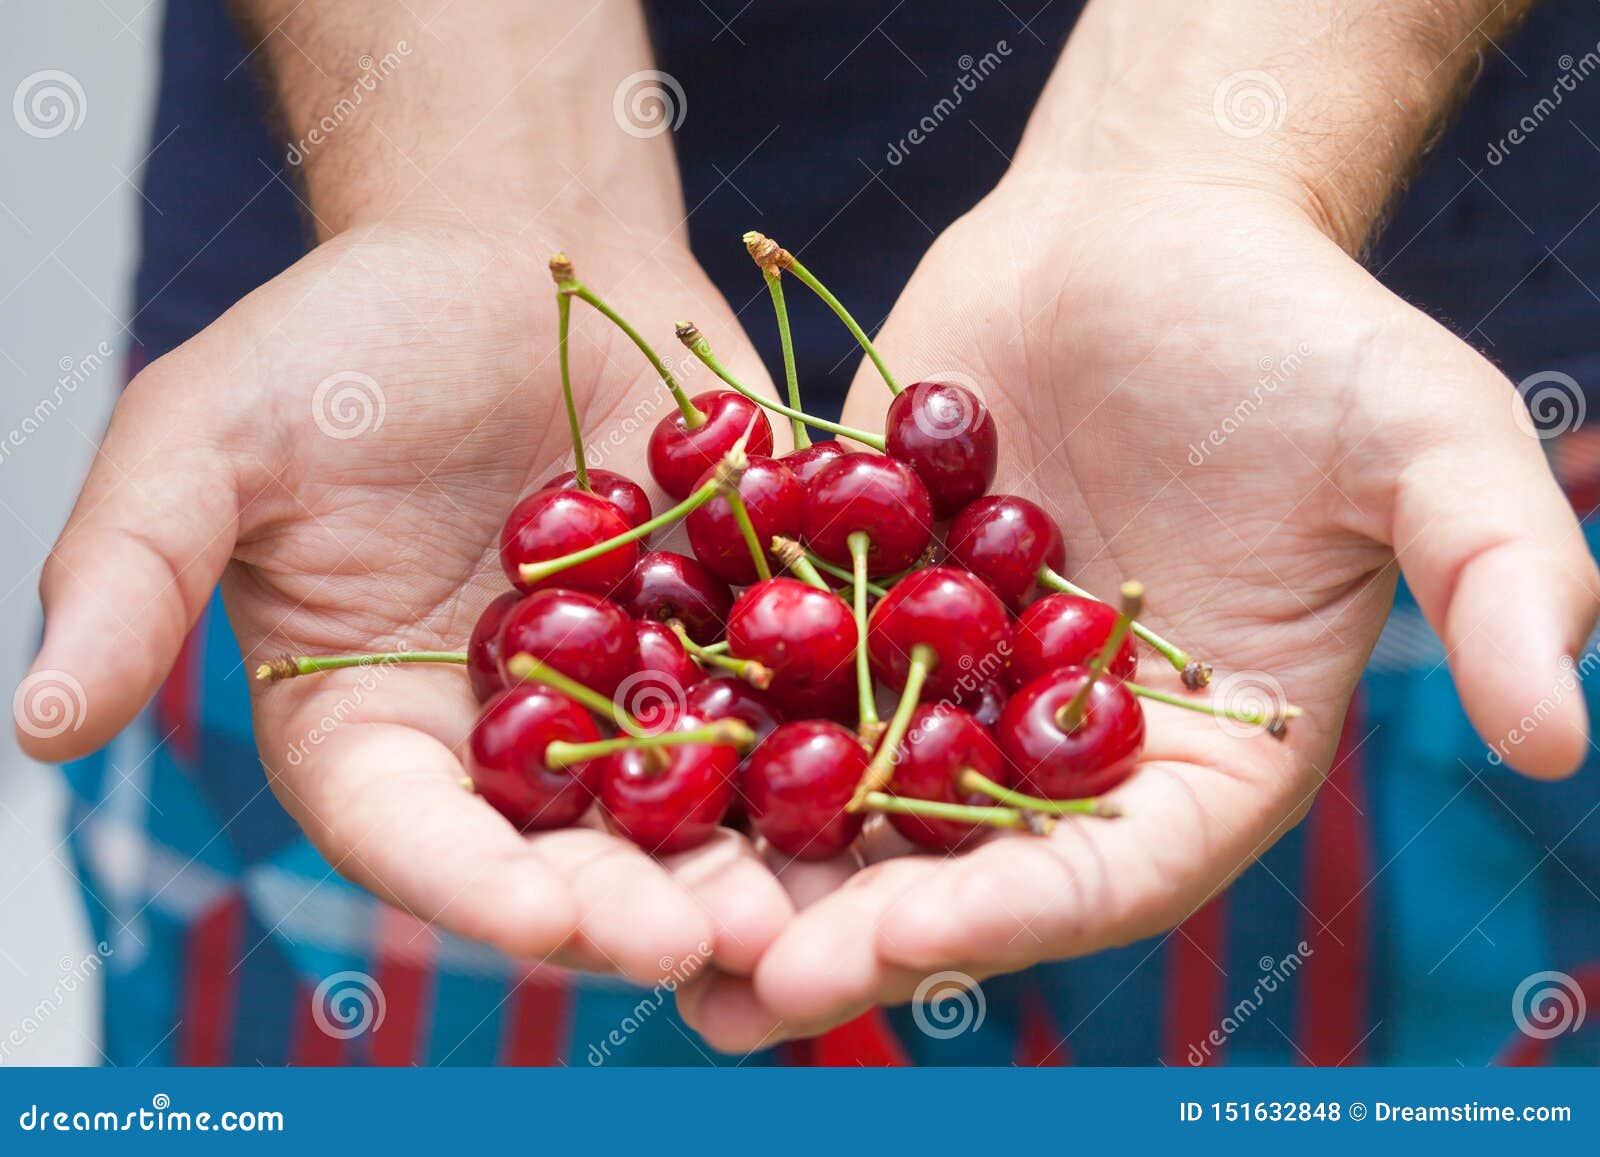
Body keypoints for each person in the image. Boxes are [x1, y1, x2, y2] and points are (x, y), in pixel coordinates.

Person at [18, 0, 1600, 1065]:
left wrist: (1224, 154)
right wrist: (463, 180)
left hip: (1296, 511)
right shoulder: (502, 590)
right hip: (404, 493)